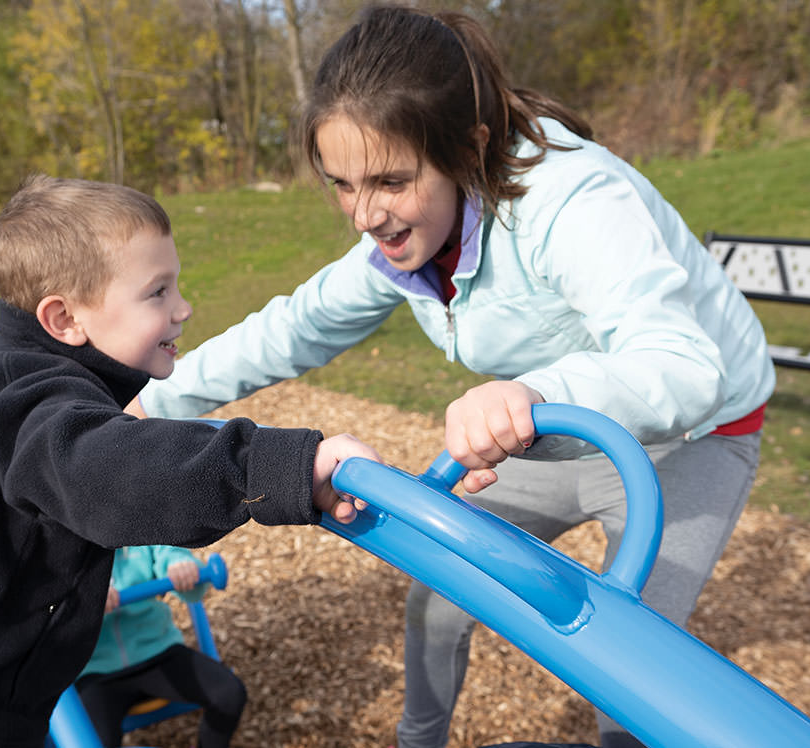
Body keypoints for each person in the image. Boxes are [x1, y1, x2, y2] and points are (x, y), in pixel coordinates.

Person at [129, 6, 775, 748]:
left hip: (693, 434)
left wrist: (535, 393)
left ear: (468, 149)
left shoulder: (571, 199)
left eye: (389, 181)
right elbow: (298, 326)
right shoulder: (407, 236)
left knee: (630, 674)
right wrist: (150, 402)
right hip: (556, 427)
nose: (365, 214)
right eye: (341, 184)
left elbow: (684, 366)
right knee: (439, 596)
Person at [0, 174, 389, 748]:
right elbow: (123, 476)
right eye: (158, 291)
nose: (183, 308)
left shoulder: (25, 389)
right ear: (65, 319)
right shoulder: (31, 407)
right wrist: (285, 466)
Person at [75, 546, 246, 748]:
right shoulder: (65, 549)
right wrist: (82, 604)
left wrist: (182, 567)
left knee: (228, 694)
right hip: (95, 671)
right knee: (90, 741)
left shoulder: (138, 532)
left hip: (157, 651)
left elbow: (169, 552)